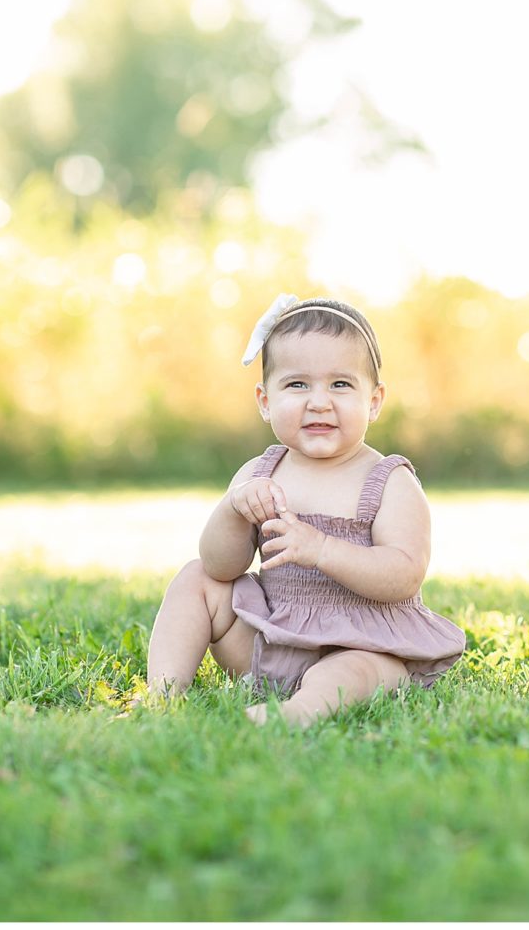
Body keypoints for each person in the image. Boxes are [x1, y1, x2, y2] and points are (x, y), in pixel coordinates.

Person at [145, 294, 466, 726]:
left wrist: (320, 550)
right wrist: (233, 511)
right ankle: (162, 697)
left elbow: (404, 574)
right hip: (271, 639)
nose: (318, 401)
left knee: (358, 671)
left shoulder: (389, 481)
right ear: (264, 400)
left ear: (373, 400)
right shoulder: (260, 473)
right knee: (195, 578)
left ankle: (299, 711)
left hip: (361, 642)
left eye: (340, 384)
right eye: (298, 384)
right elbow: (221, 566)